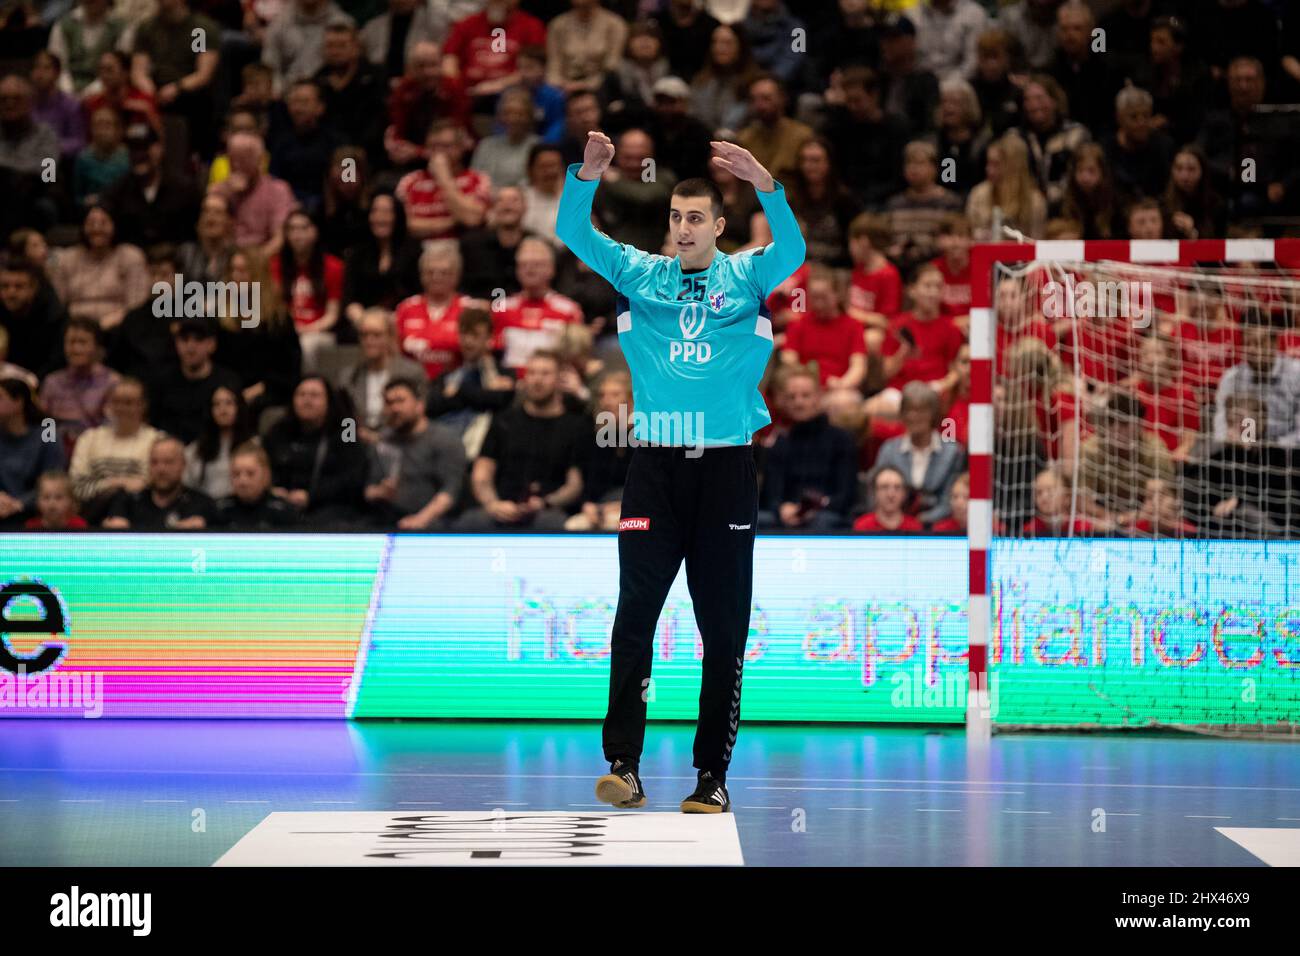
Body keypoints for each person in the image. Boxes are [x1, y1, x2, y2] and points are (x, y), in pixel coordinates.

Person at [559, 131, 804, 814]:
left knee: (721, 629)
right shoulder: (641, 273)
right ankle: (624, 765)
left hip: (725, 470)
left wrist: (766, 184)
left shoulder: (749, 274)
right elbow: (570, 230)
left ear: (719, 227)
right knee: (634, 616)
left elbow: (795, 251)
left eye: (697, 217)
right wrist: (589, 175)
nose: (684, 227)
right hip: (655, 469)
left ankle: (711, 777)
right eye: (675, 216)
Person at [454, 348, 587, 531]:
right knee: (469, 522)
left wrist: (545, 503)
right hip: (501, 506)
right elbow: (481, 474)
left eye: (545, 373)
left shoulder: (576, 426)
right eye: (531, 373)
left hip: (548, 511)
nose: (537, 380)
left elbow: (574, 485)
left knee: (554, 524)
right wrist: (493, 504)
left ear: (558, 379)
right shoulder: (503, 421)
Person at [261, 374, 369, 527]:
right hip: (284, 504)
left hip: (333, 507)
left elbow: (353, 478)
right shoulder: (279, 429)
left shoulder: (347, 427)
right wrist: (274, 491)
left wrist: (311, 496)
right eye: (301, 394)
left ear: (328, 401)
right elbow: (264, 466)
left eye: (315, 395)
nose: (307, 400)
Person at [758, 366, 856, 530]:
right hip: (786, 516)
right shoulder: (780, 444)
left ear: (819, 396)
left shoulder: (841, 440)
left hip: (826, 515)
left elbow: (846, 495)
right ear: (784, 402)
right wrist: (782, 509)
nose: (799, 402)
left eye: (805, 395)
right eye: (792, 397)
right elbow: (771, 495)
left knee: (822, 521)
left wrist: (815, 509)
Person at [363, 377, 465, 530]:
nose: (395, 408)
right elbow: (367, 489)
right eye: (389, 403)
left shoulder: (445, 440)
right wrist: (378, 492)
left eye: (400, 401)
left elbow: (450, 491)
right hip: (386, 517)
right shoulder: (382, 440)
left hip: (434, 519)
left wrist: (421, 519)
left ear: (419, 405)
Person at [873, 381, 967, 524]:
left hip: (939, 529)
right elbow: (877, 493)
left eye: (921, 410)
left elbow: (950, 500)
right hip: (894, 526)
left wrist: (920, 522)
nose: (913, 416)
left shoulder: (953, 453)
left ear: (933, 414)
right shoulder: (889, 450)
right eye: (909, 410)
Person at [65, 375, 158, 518]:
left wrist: (102, 484)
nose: (121, 408)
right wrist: (115, 483)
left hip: (143, 518)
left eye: (128, 403)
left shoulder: (156, 440)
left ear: (142, 406)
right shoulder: (89, 438)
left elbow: (158, 487)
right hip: (94, 518)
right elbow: (77, 487)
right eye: (116, 402)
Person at [337, 307, 426, 441]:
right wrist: (351, 441)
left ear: (390, 337)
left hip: (401, 445)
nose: (369, 341)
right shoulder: (348, 377)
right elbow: (345, 421)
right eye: (364, 335)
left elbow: (417, 421)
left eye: (376, 335)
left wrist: (380, 438)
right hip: (359, 447)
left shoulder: (411, 373)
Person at [101, 434, 215, 529]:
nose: (161, 469)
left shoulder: (202, 505)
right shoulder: (128, 502)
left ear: (183, 465)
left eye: (168, 462)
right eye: (154, 462)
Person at [0, 377, 66, 528]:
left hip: (38, 510)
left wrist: (20, 503)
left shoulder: (47, 431)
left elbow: (54, 478)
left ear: (19, 401)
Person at [184, 384, 258, 500]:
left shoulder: (254, 446)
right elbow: (187, 484)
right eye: (217, 404)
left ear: (239, 406)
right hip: (203, 509)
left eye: (229, 403)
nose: (222, 409)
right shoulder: (196, 449)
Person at [211, 440, 300, 528]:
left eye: (250, 473)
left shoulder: (283, 511)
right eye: (236, 474)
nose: (243, 481)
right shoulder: (219, 510)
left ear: (266, 475)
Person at [852, 464, 924, 532]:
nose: (891, 494)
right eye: (884, 487)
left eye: (897, 488)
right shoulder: (862, 526)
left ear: (904, 493)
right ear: (874, 492)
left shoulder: (915, 527)